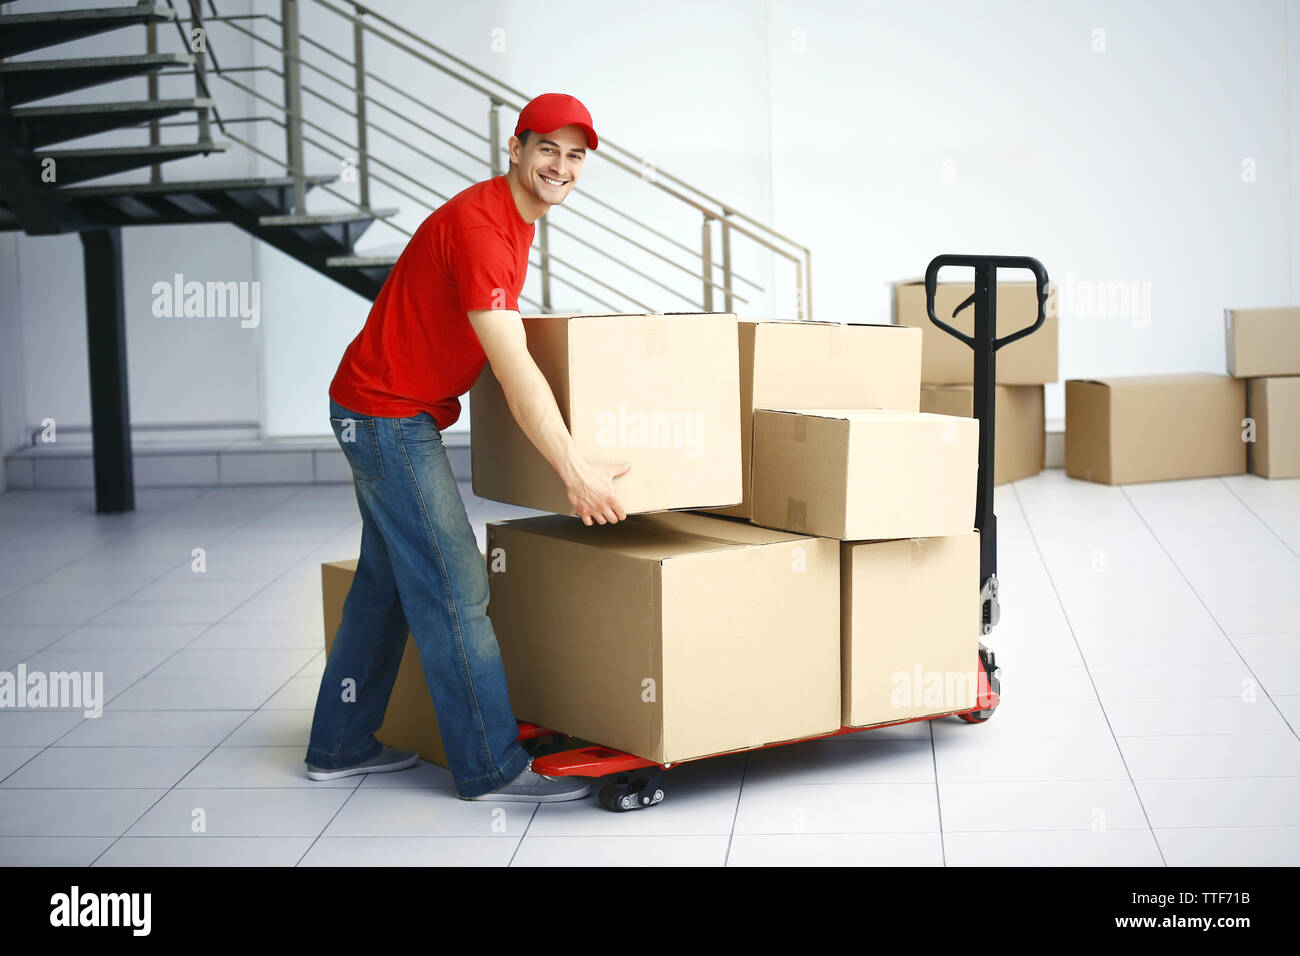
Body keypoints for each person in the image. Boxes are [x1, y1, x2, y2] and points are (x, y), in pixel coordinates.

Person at [304, 93, 629, 803]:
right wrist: (575, 472)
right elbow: (515, 376)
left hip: (375, 406)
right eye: (548, 148)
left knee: (385, 584)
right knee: (457, 582)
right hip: (386, 415)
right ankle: (491, 767)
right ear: (515, 148)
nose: (562, 165)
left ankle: (339, 744)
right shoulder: (486, 227)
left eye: (576, 156)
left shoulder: (514, 217)